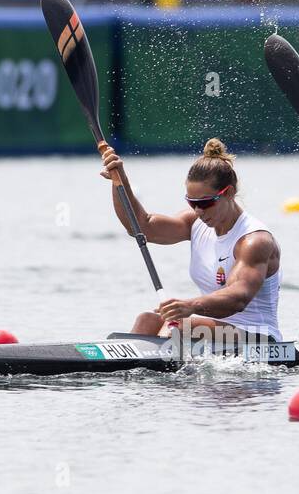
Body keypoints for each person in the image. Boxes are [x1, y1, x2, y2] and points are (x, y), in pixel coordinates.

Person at [99, 138, 282, 342]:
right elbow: (142, 227)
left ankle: (154, 368)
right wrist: (119, 181)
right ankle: (125, 367)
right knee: (148, 319)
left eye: (205, 203)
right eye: (191, 202)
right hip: (213, 330)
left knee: (178, 325)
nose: (198, 211)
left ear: (229, 192)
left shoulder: (254, 240)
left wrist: (190, 306)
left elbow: (238, 298)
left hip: (258, 336)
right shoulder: (195, 222)